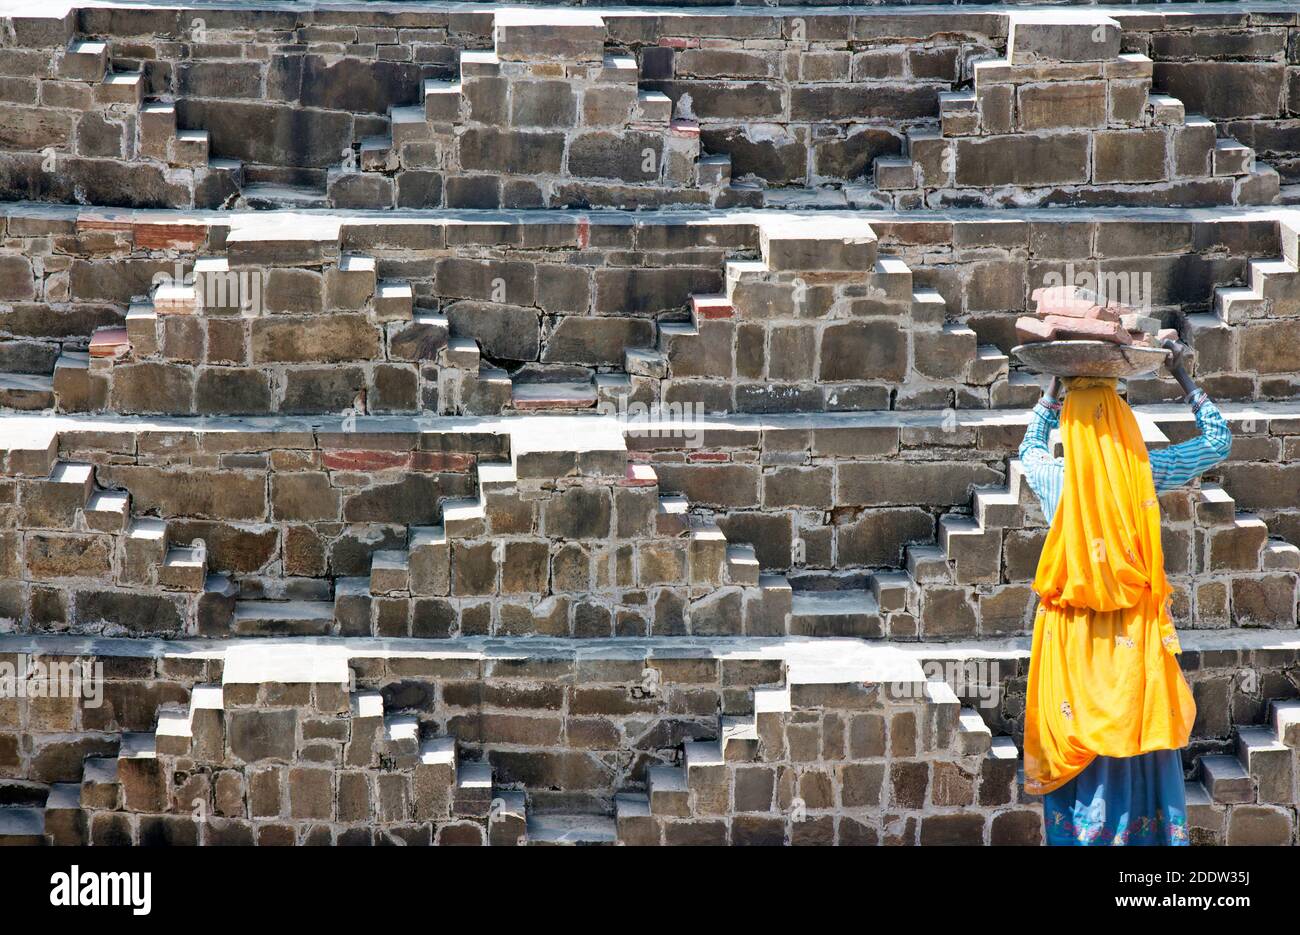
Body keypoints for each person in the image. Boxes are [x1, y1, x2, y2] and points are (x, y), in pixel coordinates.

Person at [1018, 339, 1232, 845]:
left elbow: (1029, 448)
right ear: (1121, 422)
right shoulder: (1144, 475)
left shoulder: (1054, 477)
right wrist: (1184, 377)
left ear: (1072, 424)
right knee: (1133, 737)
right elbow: (1218, 441)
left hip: (1073, 643)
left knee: (1083, 740)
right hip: (1132, 639)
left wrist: (1054, 392)